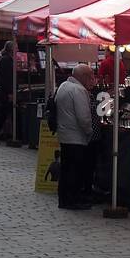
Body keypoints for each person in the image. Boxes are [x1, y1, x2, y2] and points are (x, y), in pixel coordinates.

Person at [54, 64, 96, 210]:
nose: (93, 80)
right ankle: (73, 200)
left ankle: (64, 199)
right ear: (84, 77)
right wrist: (90, 132)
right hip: (76, 137)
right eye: (91, 76)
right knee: (75, 170)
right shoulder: (78, 90)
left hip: (64, 134)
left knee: (66, 169)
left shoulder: (63, 86)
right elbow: (83, 117)